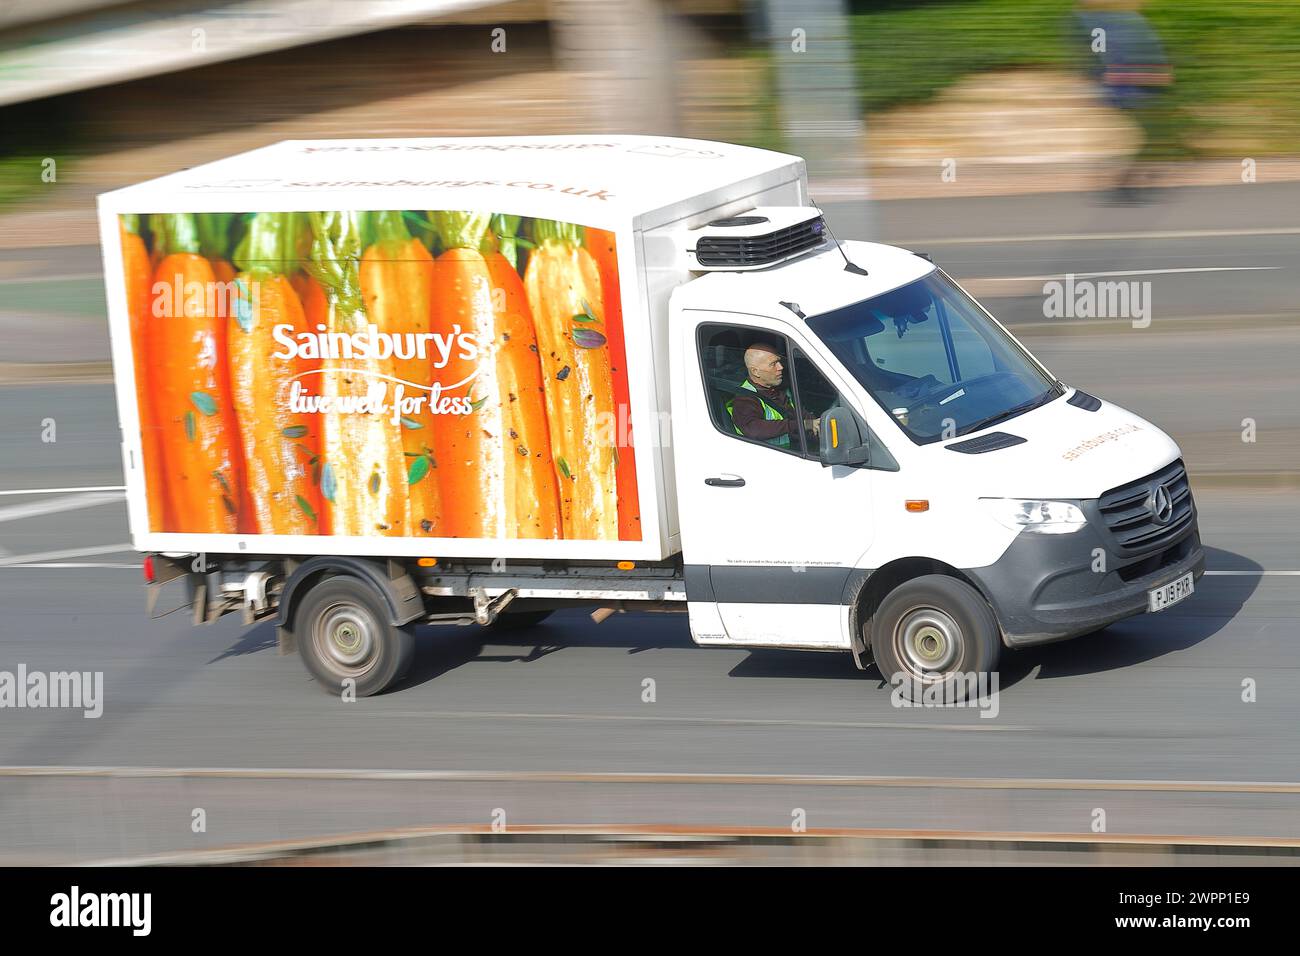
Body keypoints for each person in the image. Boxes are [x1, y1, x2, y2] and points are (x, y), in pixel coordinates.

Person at [726, 342, 819, 448]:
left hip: (796, 450)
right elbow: (754, 430)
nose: (780, 367)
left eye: (779, 361)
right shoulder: (745, 399)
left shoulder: (779, 389)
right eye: (773, 364)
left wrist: (817, 424)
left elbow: (800, 414)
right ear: (755, 371)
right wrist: (803, 425)